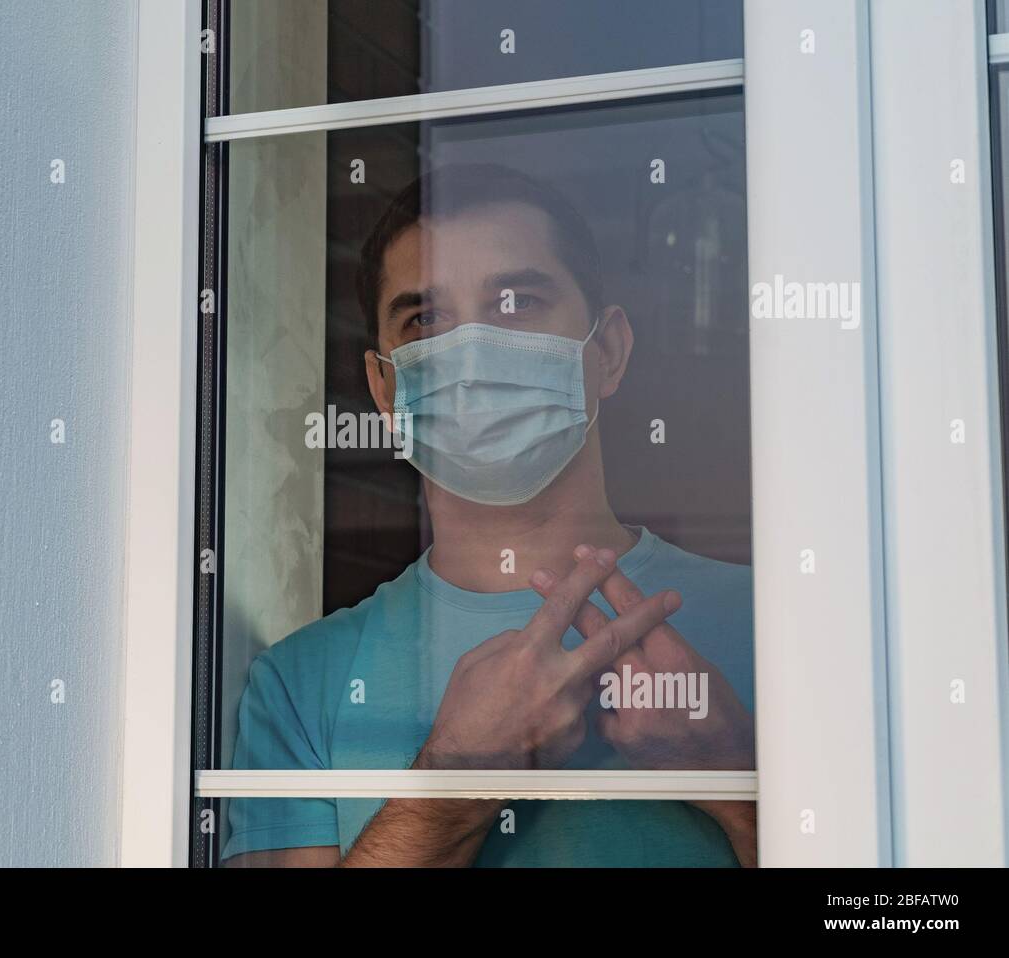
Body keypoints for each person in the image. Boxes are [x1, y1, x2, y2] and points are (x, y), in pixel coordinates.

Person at [222, 164, 756, 867]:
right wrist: (455, 781)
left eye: (516, 301)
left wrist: (737, 780)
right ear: (385, 388)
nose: (470, 355)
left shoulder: (775, 625)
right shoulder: (299, 685)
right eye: (427, 319)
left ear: (609, 352)